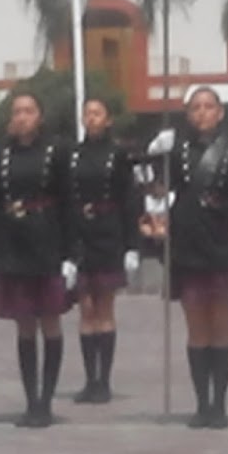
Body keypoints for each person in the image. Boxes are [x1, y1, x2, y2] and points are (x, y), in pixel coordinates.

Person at [0, 91, 75, 428]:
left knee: (50, 320)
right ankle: (30, 400)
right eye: (17, 111)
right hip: (13, 242)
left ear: (40, 116)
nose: (22, 117)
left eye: (28, 111)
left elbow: (68, 202)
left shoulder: (56, 150)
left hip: (47, 240)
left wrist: (70, 255)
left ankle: (46, 401)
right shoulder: (1, 153)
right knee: (23, 323)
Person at [168, 87, 228, 430]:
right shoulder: (177, 150)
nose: (202, 113)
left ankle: (219, 402)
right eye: (196, 108)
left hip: (223, 243)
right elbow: (167, 189)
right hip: (189, 244)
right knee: (196, 329)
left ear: (220, 112)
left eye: (208, 106)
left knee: (221, 326)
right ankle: (201, 402)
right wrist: (156, 153)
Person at [67, 98, 140, 405]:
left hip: (109, 233)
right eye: (87, 113)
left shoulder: (118, 155)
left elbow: (130, 200)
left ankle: (105, 381)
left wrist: (132, 245)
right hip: (81, 234)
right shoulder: (73, 155)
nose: (91, 118)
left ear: (108, 120)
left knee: (105, 308)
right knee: (85, 308)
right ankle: (89, 380)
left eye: (97, 113)